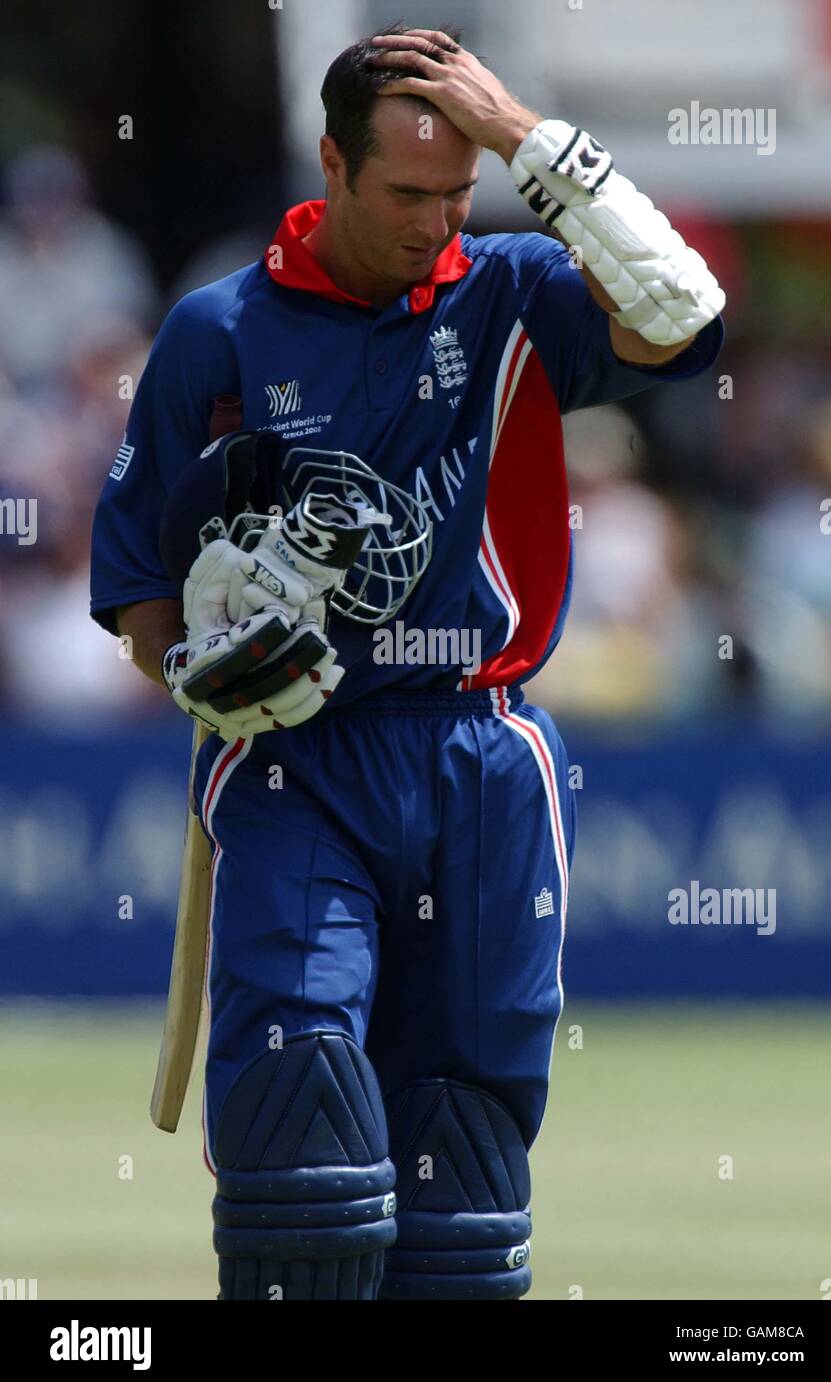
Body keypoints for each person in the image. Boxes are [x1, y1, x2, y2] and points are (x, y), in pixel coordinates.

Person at [90, 23, 725, 1300]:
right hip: (294, 761)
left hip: (483, 755)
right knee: (300, 1137)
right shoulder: (219, 329)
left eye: (456, 192)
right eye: (403, 194)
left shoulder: (509, 290)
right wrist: (197, 673)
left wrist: (529, 144)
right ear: (329, 161)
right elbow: (141, 583)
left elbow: (682, 312)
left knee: (464, 1169)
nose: (435, 222)